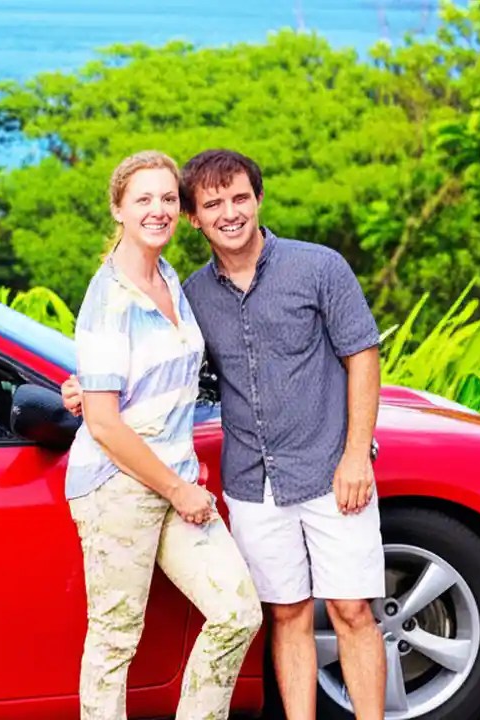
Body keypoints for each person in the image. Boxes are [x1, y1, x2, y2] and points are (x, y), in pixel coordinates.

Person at [62, 149, 387, 720]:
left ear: (258, 198)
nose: (229, 213)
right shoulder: (173, 292)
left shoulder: (306, 269)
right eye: (212, 204)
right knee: (274, 614)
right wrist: (89, 389)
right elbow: (135, 388)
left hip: (327, 470)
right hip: (223, 483)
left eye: (240, 198)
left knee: (337, 610)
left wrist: (358, 451)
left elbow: (361, 352)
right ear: (197, 217)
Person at [65, 149, 262, 720]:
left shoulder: (169, 280)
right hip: (117, 486)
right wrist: (178, 491)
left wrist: (82, 383)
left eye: (168, 199)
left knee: (237, 613)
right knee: (114, 637)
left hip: (174, 476)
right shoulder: (108, 300)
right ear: (119, 210)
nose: (158, 210)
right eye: (143, 199)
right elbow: (103, 423)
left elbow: (158, 380)